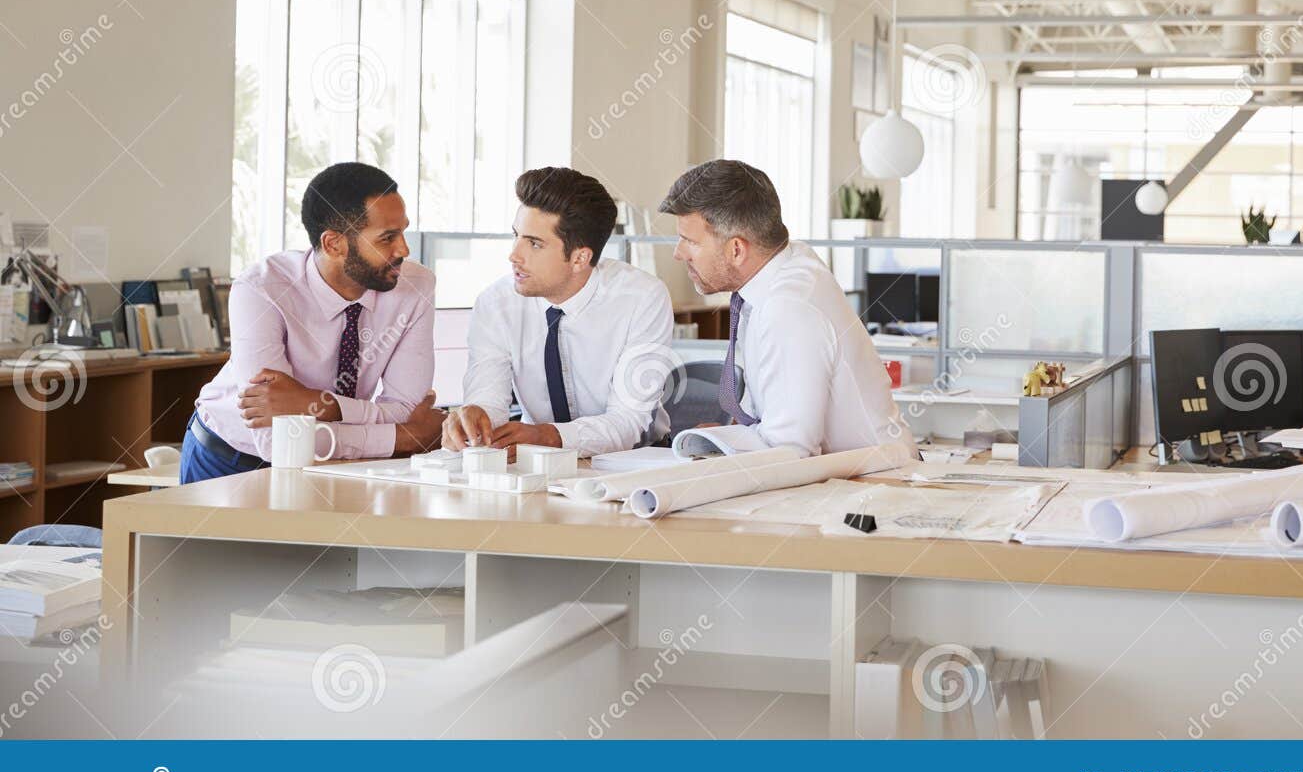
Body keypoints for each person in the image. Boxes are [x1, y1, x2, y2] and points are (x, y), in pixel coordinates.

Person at [182, 162, 443, 483]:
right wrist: (402, 438)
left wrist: (324, 407)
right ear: (334, 244)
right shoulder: (262, 289)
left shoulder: (415, 285)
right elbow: (278, 442)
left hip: (342, 461)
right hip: (231, 459)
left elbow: (406, 410)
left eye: (403, 231)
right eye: (387, 237)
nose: (404, 249)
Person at [658, 159, 906, 455]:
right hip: (848, 475)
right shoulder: (780, 269)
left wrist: (723, 442)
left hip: (873, 480)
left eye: (690, 241)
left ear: (736, 249)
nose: (678, 253)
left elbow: (791, 449)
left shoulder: (788, 307)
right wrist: (730, 436)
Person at [443, 167, 674, 456]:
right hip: (533, 457)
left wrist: (547, 436)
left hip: (634, 460)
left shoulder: (642, 298)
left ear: (580, 258)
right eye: (516, 236)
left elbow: (628, 421)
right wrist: (474, 421)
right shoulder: (496, 302)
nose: (514, 255)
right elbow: (489, 401)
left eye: (535, 244)